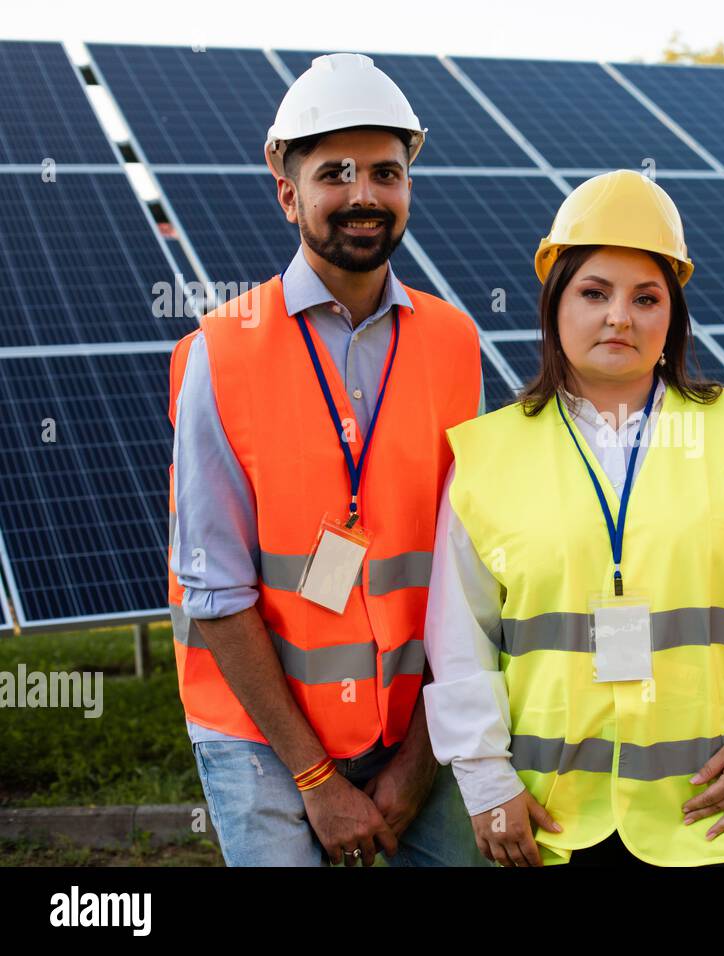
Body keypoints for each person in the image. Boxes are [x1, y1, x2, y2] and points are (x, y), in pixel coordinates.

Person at [422, 169, 724, 867]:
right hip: (559, 818)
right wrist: (484, 777)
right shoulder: (487, 452)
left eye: (646, 297)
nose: (620, 317)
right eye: (594, 293)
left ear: (673, 315)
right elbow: (460, 634)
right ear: (554, 306)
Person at [166, 53, 486, 867]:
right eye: (335, 173)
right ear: (288, 193)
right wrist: (314, 778)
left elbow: (464, 572)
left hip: (412, 715)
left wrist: (419, 756)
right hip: (260, 734)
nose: (365, 195)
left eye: (387, 171)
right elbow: (215, 590)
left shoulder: (453, 344)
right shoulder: (222, 352)